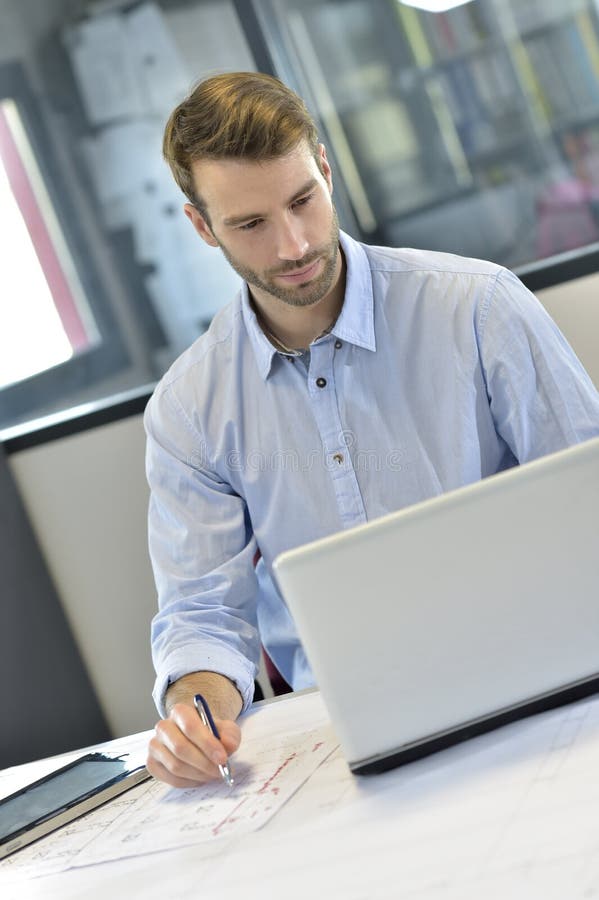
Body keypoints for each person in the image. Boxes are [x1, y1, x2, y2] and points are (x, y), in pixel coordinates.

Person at [145, 72, 599, 788]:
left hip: (543, 690)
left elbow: (588, 503)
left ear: (325, 169)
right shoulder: (189, 409)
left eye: (302, 201)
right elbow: (203, 614)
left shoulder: (477, 308)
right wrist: (193, 715)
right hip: (342, 741)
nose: (293, 245)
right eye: (250, 224)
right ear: (202, 227)